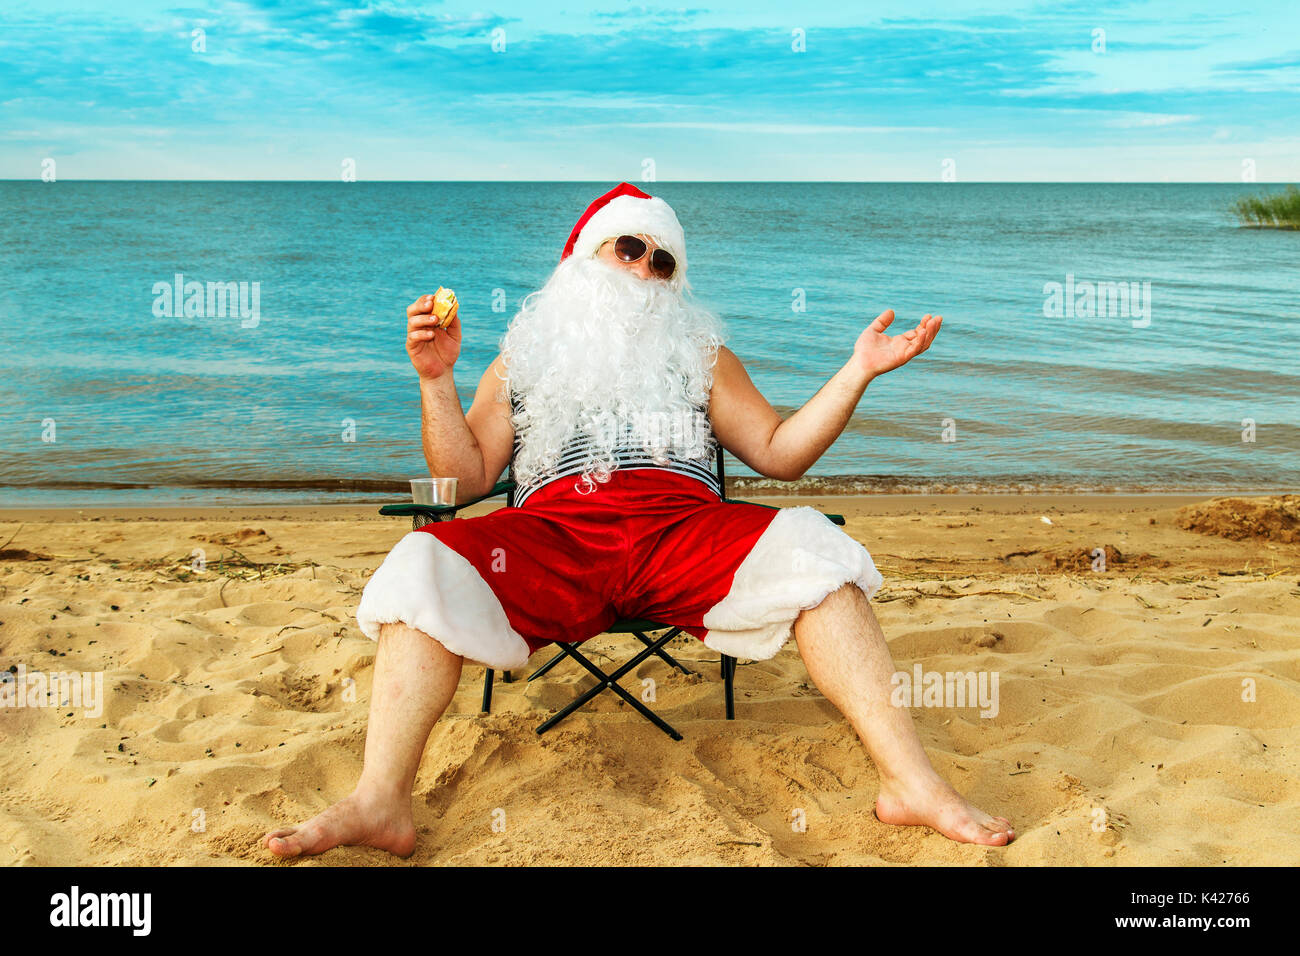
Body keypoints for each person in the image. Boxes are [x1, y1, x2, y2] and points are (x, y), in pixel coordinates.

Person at [262, 182, 1015, 858]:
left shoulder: (703, 354)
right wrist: (436, 381)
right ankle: (381, 801)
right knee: (422, 559)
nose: (648, 271)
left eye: (664, 263)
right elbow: (462, 483)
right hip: (552, 541)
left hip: (684, 535)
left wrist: (858, 372)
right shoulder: (519, 359)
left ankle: (911, 785)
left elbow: (780, 455)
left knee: (820, 553)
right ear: (588, 258)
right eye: (631, 248)